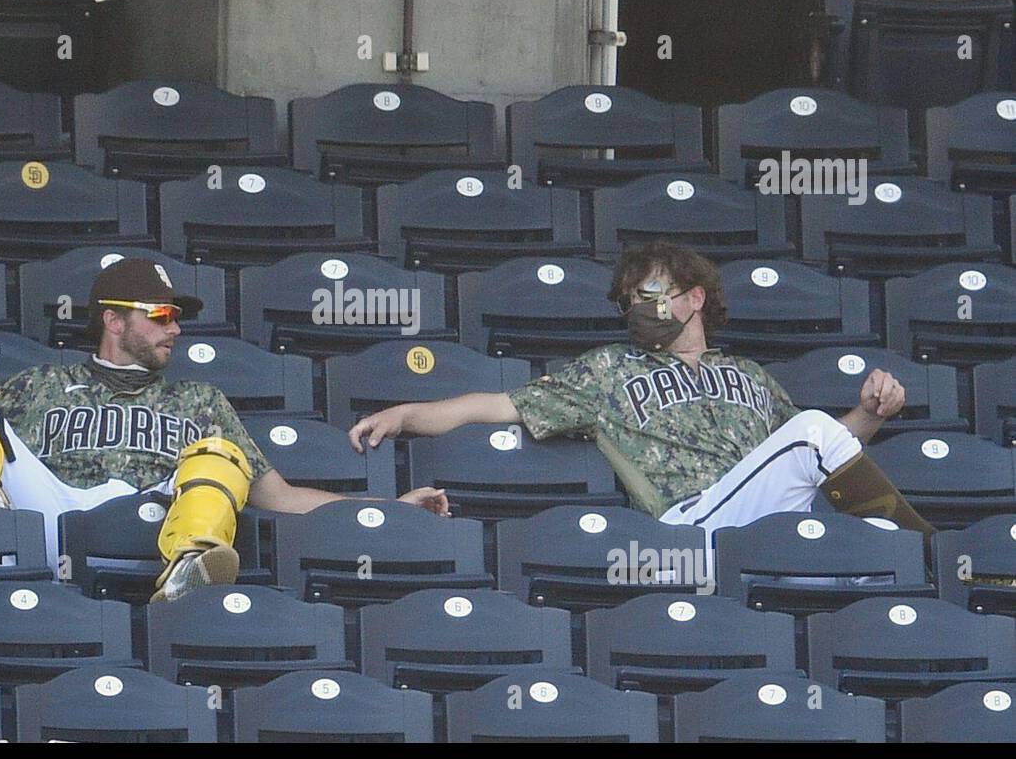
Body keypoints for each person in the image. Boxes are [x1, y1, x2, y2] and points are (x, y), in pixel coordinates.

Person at [0, 258, 448, 599]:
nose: (174, 329)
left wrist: (388, 509)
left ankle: (189, 568)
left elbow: (285, 498)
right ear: (114, 320)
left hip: (146, 517)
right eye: (160, 315)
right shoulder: (44, 383)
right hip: (41, 506)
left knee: (216, 455)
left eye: (177, 317)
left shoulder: (197, 396)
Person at [348, 242, 933, 569]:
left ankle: (896, 556)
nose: (639, 307)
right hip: (689, 527)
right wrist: (406, 415)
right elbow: (496, 404)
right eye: (631, 300)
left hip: (769, 519)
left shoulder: (749, 374)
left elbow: (812, 454)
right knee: (811, 430)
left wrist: (871, 415)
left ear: (695, 298)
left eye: (652, 294)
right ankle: (922, 557)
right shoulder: (611, 369)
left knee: (811, 434)